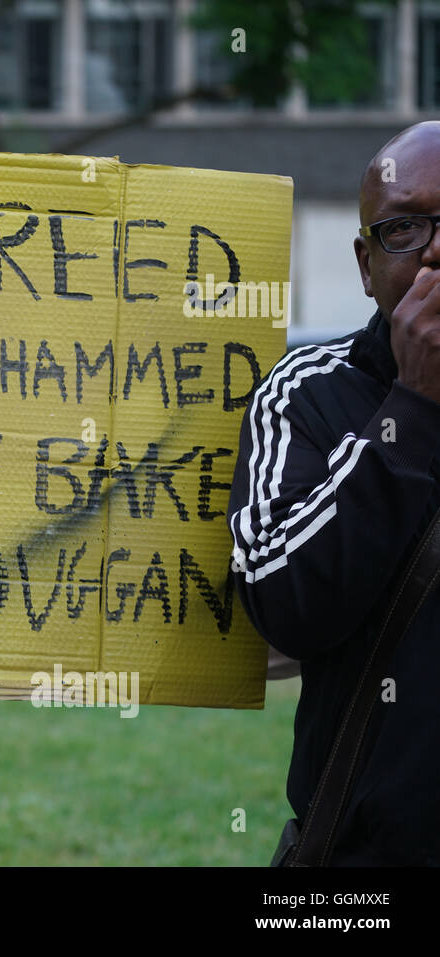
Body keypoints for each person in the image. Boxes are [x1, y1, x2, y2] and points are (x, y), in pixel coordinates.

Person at [226, 120, 440, 865]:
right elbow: (287, 605)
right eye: (405, 228)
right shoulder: (306, 394)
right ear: (365, 264)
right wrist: (412, 409)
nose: (436, 251)